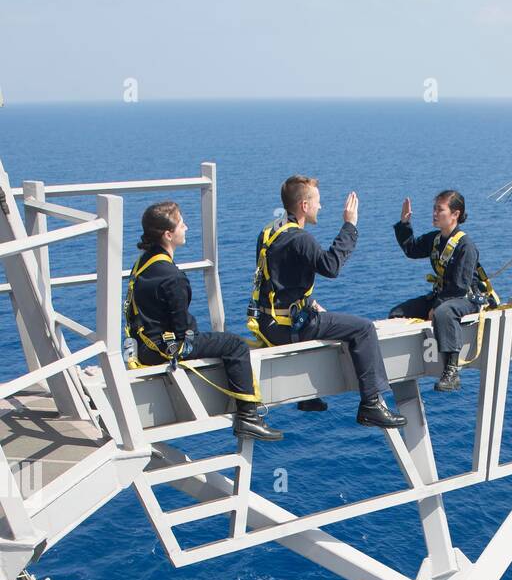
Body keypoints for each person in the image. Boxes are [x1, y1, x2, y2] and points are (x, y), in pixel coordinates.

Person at [247, 176, 406, 430]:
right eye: (317, 202)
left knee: (319, 316)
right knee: (363, 329)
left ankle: (308, 397)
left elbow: (279, 283)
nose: (321, 207)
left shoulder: (269, 232)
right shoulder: (300, 239)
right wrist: (349, 226)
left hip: (267, 323)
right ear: (304, 206)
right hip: (288, 329)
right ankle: (371, 404)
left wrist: (308, 304)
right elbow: (331, 266)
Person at [126, 201, 281, 443]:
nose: (186, 227)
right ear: (168, 234)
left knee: (219, 341)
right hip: (164, 350)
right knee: (235, 345)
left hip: (143, 348)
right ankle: (248, 417)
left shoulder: (143, 263)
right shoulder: (173, 277)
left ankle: (248, 417)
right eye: (181, 224)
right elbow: (182, 329)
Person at [389, 190, 499, 393]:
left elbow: (459, 286)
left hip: (467, 298)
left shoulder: (466, 246)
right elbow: (412, 249)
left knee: (444, 313)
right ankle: (402, 360)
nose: (434, 214)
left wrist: (436, 306)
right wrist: (404, 224)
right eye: (434, 209)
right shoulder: (436, 240)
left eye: (439, 210)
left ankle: (451, 370)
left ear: (455, 214)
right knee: (397, 312)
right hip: (444, 295)